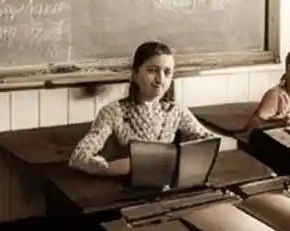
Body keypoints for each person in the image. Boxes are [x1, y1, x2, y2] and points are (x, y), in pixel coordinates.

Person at [68, 41, 217, 176]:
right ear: (135, 74)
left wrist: (185, 160)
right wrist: (110, 168)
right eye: (152, 70)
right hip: (124, 193)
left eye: (167, 72)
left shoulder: (176, 111)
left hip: (165, 190)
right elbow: (79, 157)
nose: (161, 79)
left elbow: (210, 140)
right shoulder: (113, 112)